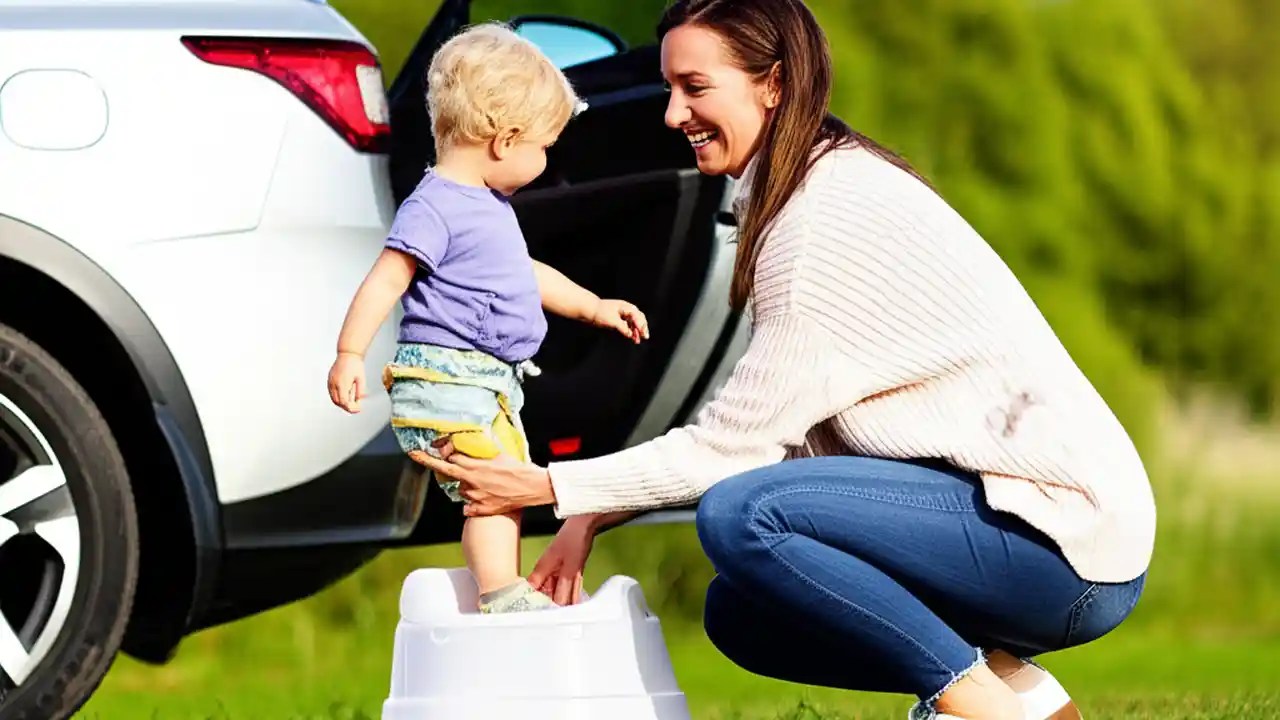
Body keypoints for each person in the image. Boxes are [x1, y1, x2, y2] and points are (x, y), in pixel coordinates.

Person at [414, 0, 1155, 717]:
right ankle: (1016, 693)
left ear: (773, 85)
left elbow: (731, 456)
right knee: (740, 613)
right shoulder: (807, 184)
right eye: (671, 89)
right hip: (1015, 530)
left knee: (742, 514)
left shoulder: (816, 223)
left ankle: (971, 707)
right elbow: (753, 421)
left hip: (1057, 540)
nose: (673, 115)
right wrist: (588, 515)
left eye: (696, 88)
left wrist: (545, 486)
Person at [326, 23, 648, 615]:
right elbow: (387, 277)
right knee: (496, 492)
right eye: (544, 146)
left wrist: (595, 306)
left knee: (505, 486)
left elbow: (525, 273)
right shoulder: (437, 203)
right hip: (450, 381)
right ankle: (501, 593)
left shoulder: (485, 206)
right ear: (505, 140)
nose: (547, 160)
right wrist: (350, 353)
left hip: (481, 383)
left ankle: (503, 591)